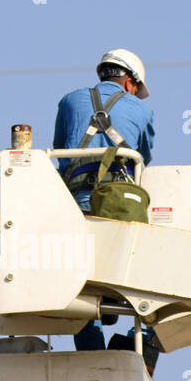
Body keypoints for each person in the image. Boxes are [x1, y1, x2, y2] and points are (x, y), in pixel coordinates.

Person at [52, 49, 157, 362]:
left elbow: (60, 153)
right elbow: (144, 159)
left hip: (75, 207)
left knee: (77, 286)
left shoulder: (69, 101)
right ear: (129, 83)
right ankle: (139, 343)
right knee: (152, 280)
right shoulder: (141, 111)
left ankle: (93, 354)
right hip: (119, 206)